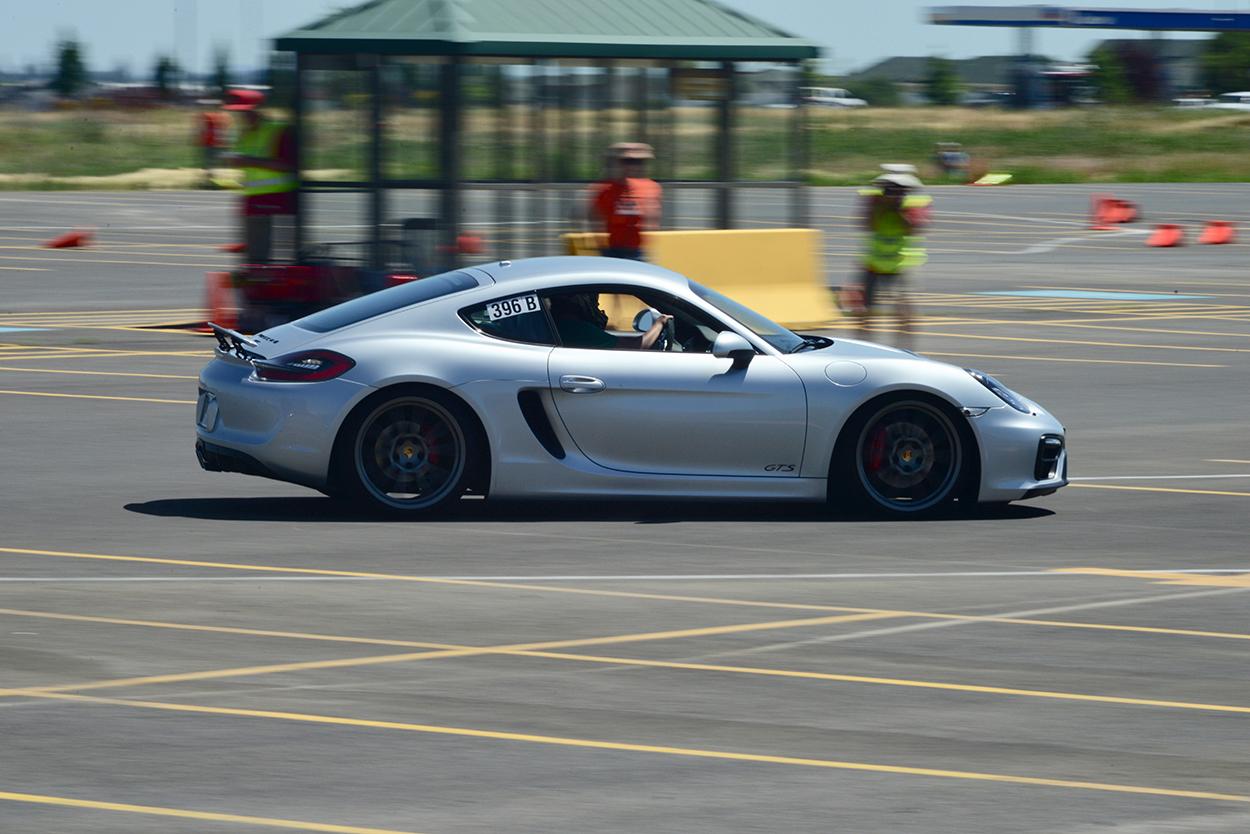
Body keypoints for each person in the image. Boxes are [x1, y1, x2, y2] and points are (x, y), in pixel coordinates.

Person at [855, 164, 932, 350]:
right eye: (890, 190)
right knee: (865, 309)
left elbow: (913, 229)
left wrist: (898, 209)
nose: (894, 194)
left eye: (899, 191)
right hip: (874, 262)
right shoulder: (874, 201)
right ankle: (864, 349)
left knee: (904, 310)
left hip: (902, 264)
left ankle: (906, 350)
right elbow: (867, 225)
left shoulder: (915, 203)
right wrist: (880, 206)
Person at [223, 89, 297, 264]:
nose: (242, 116)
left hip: (279, 201)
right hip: (253, 203)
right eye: (238, 112)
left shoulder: (279, 131)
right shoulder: (244, 134)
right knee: (255, 260)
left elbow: (288, 166)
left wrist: (249, 161)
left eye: (246, 111)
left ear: (258, 109)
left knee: (281, 260)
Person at [589, 143, 662, 261]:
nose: (633, 166)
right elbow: (594, 218)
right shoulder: (604, 189)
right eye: (627, 161)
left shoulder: (651, 187)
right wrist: (601, 246)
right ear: (617, 163)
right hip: (613, 251)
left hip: (638, 252)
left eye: (639, 162)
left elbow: (653, 219)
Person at [548, 293, 671, 350]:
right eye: (594, 302)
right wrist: (660, 323)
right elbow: (635, 346)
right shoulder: (576, 329)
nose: (597, 307)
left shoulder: (558, 326)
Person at [196, 101, 230, 188]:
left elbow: (203, 129)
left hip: (211, 143)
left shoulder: (209, 115)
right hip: (215, 143)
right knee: (213, 164)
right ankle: (212, 182)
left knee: (210, 164)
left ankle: (212, 182)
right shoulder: (223, 116)